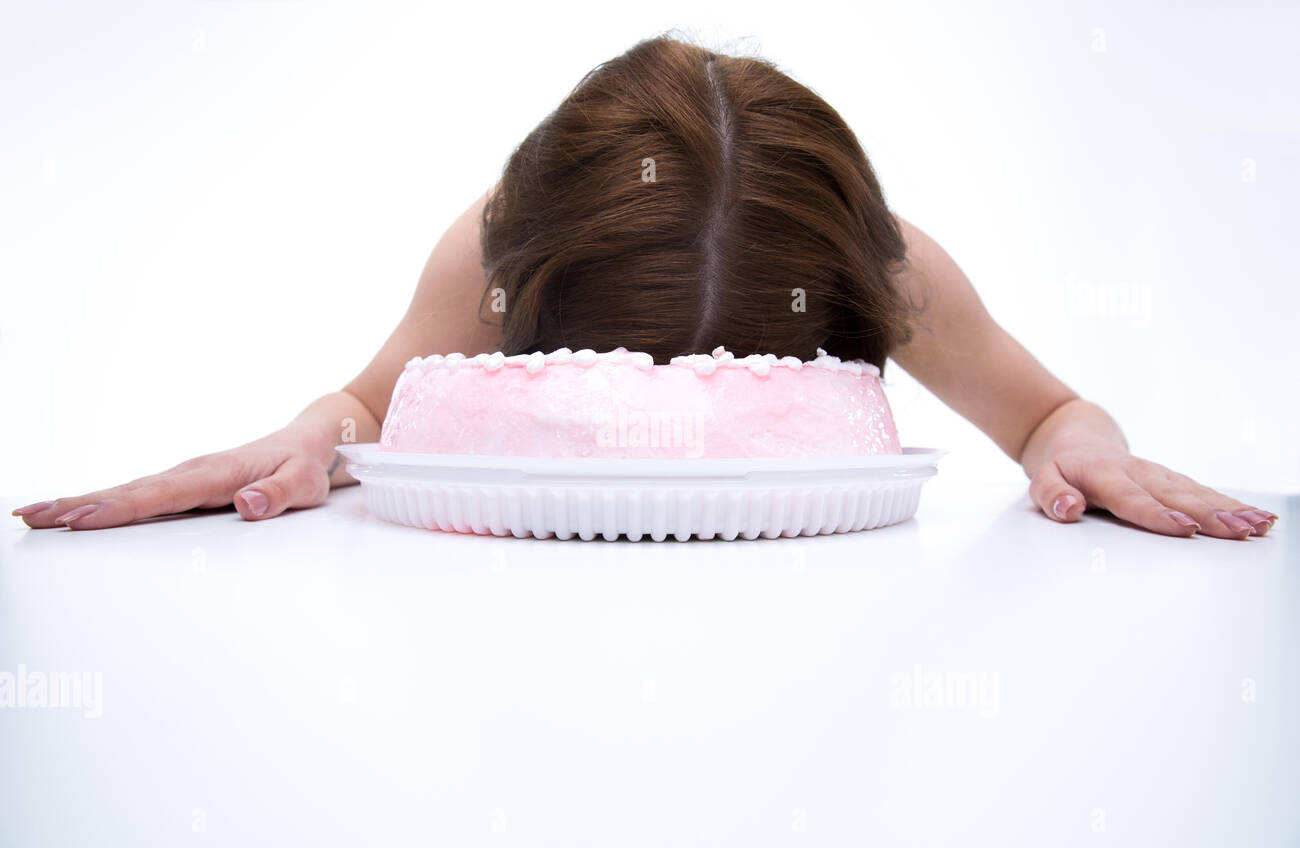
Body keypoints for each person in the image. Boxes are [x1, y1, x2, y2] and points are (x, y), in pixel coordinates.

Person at [12, 36, 1276, 539]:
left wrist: (1087, 448)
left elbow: (1049, 416)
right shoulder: (499, 251)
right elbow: (364, 405)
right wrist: (299, 438)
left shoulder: (884, 266)